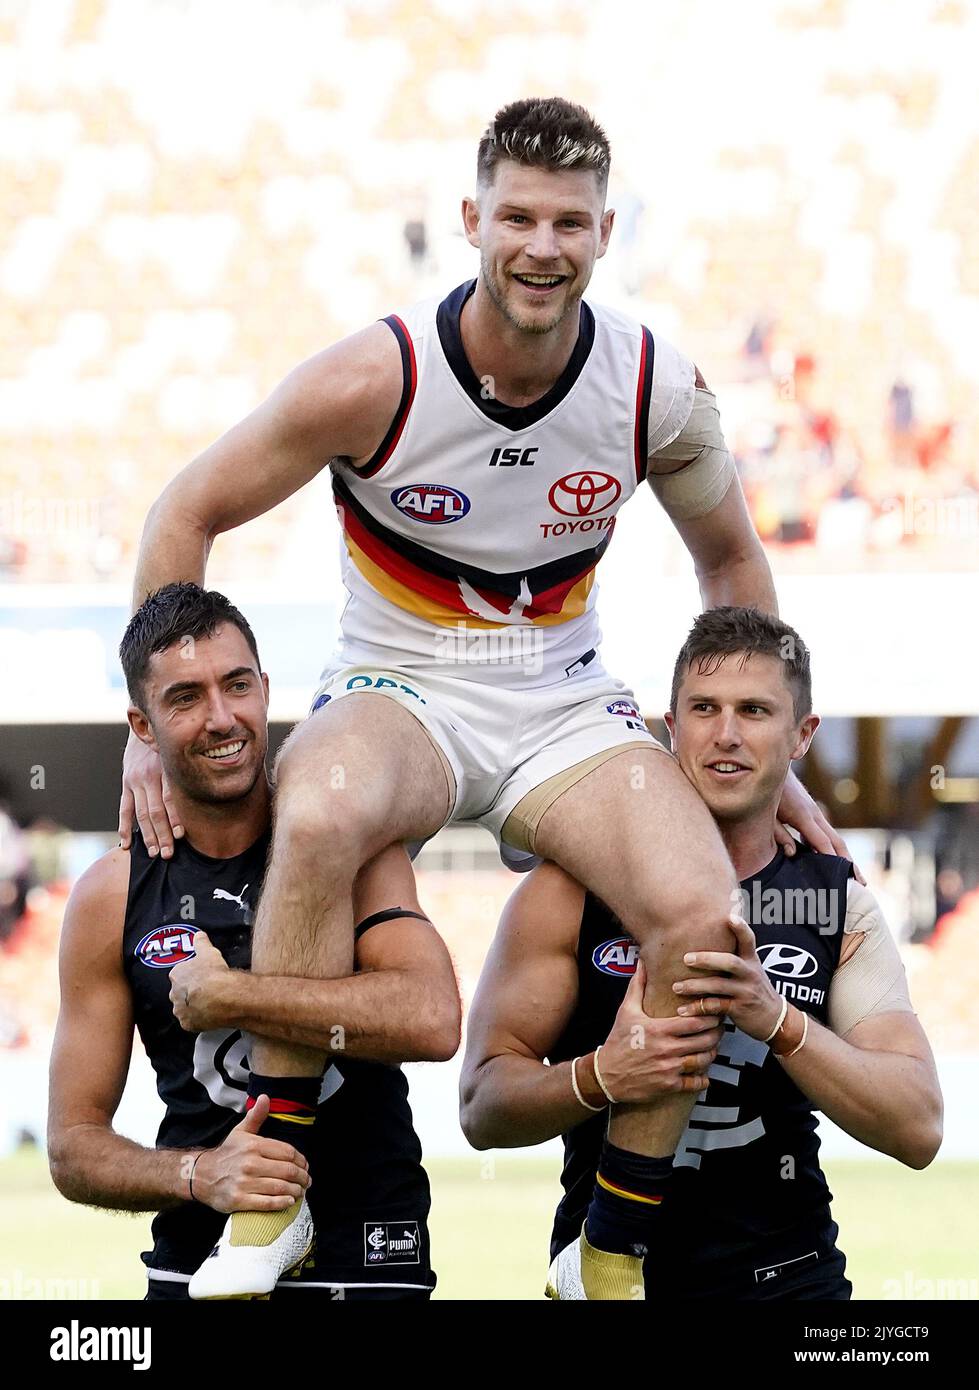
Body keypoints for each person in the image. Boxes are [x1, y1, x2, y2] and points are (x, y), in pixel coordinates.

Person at [122, 97, 850, 1296]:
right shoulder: (376, 372)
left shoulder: (654, 385)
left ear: (606, 233)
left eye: (570, 221)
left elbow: (731, 566)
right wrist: (143, 732)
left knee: (706, 907)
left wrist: (776, 771)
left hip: (562, 693)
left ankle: (608, 1248)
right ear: (471, 221)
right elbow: (181, 514)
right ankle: (278, 1199)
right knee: (317, 812)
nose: (542, 245)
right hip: (399, 680)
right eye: (518, 215)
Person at [460, 607, 942, 1300]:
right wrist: (602, 1074)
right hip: (606, 1279)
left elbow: (917, 1127)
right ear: (668, 727)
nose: (724, 735)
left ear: (801, 735)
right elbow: (482, 1107)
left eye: (753, 711)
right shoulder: (570, 886)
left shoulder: (835, 900)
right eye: (703, 708)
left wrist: (774, 1020)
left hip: (787, 1278)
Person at [49, 584, 459, 1300]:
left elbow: (431, 1019)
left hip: (366, 1253)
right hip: (200, 1262)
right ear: (141, 728)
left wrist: (234, 996)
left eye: (236, 686)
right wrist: (197, 1173)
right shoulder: (111, 893)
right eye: (185, 698)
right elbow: (72, 1145)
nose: (221, 718)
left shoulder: (353, 846)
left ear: (266, 689)